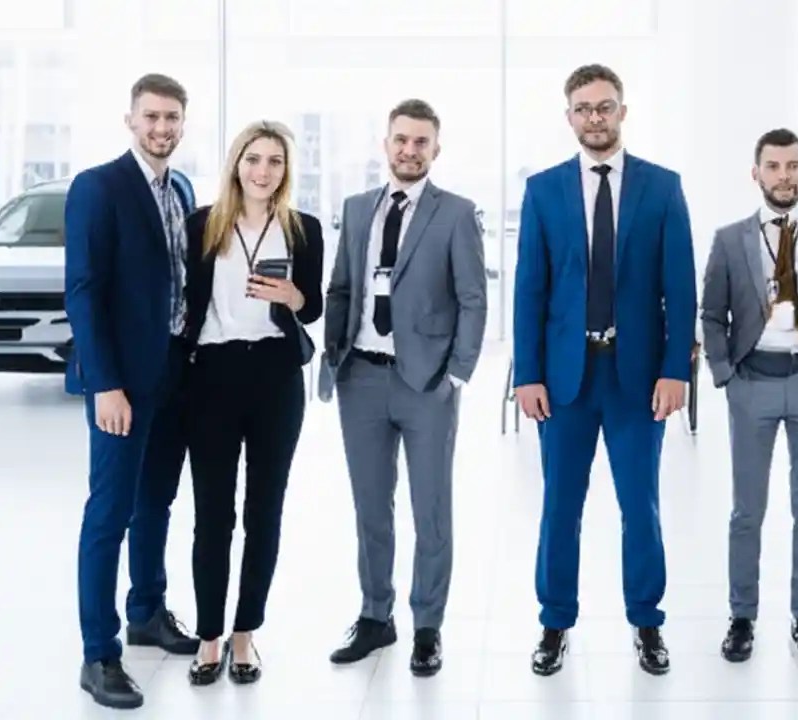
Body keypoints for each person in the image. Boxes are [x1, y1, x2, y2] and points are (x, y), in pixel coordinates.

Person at [512, 63, 696, 677]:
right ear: (569, 117)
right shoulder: (542, 191)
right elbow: (529, 291)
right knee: (560, 506)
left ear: (623, 112)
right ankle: (554, 622)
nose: (596, 117)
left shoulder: (662, 187)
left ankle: (647, 622)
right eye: (584, 108)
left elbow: (680, 288)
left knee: (639, 505)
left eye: (606, 106)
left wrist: (676, 370)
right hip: (564, 382)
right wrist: (528, 375)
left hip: (637, 378)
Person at [319, 99, 486, 677]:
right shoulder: (357, 208)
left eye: (421, 142)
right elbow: (341, 288)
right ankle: (375, 616)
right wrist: (333, 356)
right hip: (360, 378)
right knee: (371, 508)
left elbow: (473, 298)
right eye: (401, 140)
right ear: (385, 144)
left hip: (426, 383)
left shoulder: (456, 213)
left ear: (435, 150)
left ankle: (427, 627)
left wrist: (457, 372)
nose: (409, 150)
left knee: (431, 509)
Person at [64, 73, 200, 710]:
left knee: (157, 503)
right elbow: (84, 292)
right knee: (110, 511)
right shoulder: (99, 187)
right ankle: (99, 653)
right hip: (122, 382)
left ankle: (146, 608)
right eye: (151, 117)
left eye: (172, 117)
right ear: (130, 120)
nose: (162, 128)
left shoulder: (183, 189)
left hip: (174, 372)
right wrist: (105, 384)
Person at [700, 128, 798, 665]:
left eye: (793, 166)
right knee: (747, 511)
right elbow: (710, 313)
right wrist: (723, 373)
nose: (784, 176)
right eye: (773, 166)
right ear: (756, 173)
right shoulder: (729, 239)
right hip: (752, 383)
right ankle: (742, 617)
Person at [180, 121, 324, 685]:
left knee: (265, 512)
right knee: (213, 515)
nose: (263, 171)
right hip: (212, 376)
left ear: (287, 170)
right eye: (253, 159)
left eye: (275, 162)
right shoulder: (202, 226)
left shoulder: (303, 229)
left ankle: (245, 635)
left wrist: (294, 297)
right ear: (236, 163)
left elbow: (311, 311)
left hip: (275, 377)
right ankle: (209, 635)